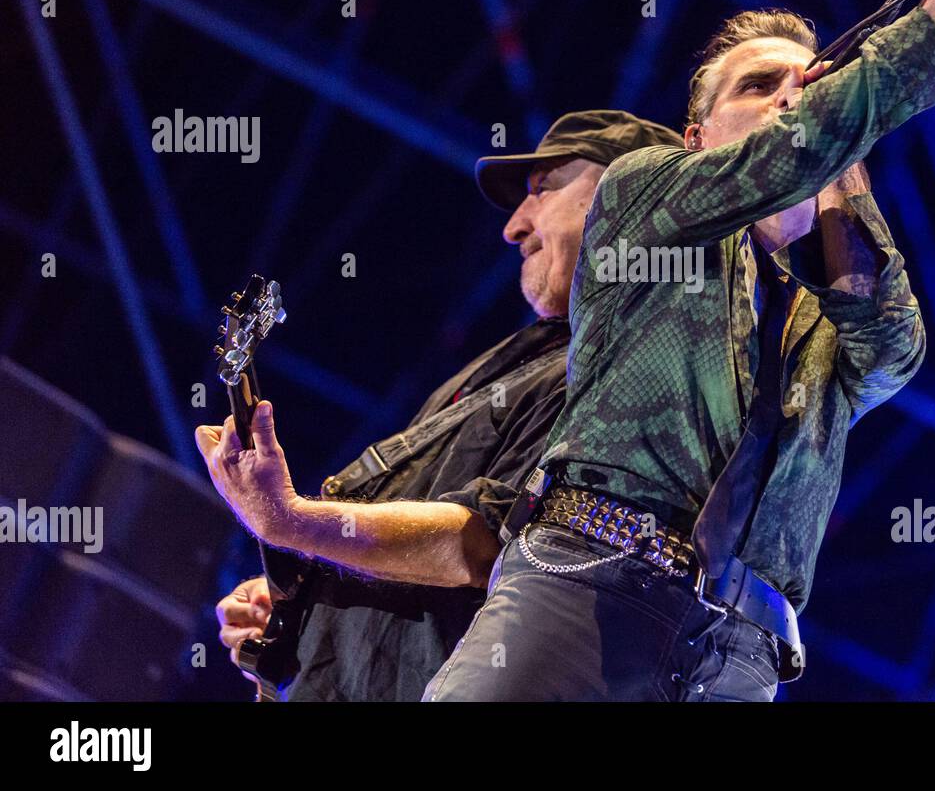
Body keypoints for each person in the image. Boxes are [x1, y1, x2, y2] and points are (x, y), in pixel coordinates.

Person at [425, 0, 935, 701]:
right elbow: (782, 159)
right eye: (761, 86)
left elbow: (893, 350)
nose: (792, 98)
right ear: (694, 138)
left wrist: (841, 160)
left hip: (739, 662)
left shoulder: (824, 318)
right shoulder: (642, 198)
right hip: (582, 592)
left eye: (810, 86)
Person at [196, 110, 681, 700]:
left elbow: (487, 542)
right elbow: (425, 557)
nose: (514, 226)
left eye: (543, 189)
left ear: (629, 197)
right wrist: (318, 583)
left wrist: (291, 521)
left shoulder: (627, 363)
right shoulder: (515, 360)